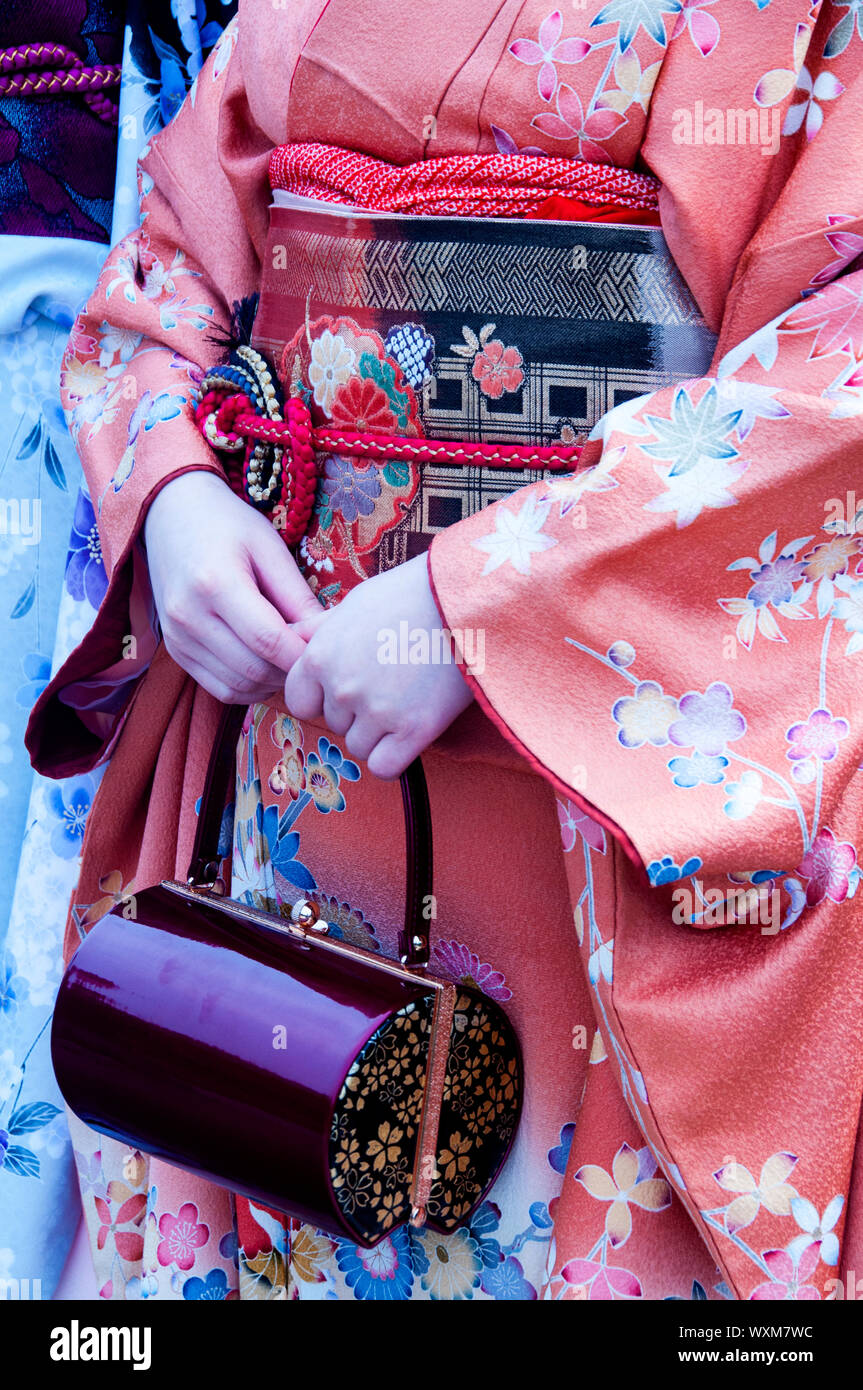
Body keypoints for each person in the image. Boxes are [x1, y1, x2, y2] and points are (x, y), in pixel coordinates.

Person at [27, 0, 863, 1302]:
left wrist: (485, 600)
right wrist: (179, 488)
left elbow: (837, 369)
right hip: (292, 696)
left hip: (594, 743)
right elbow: (178, 238)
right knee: (272, 1123)